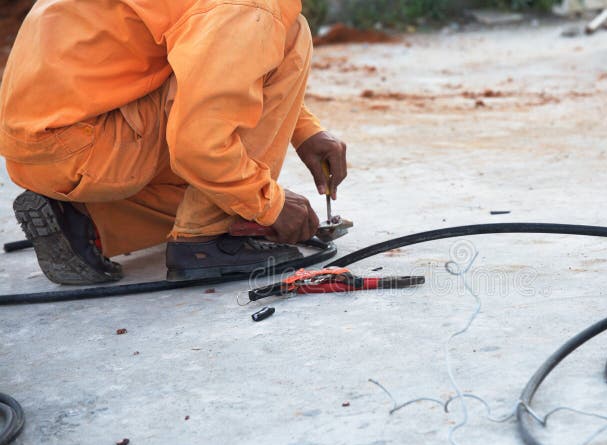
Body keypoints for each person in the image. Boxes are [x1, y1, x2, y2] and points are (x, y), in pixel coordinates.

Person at [0, 0, 347, 284]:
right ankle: (207, 239)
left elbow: (221, 62)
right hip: (86, 145)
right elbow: (199, 146)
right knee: (289, 34)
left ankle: (86, 221)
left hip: (41, 145)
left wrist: (304, 130)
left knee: (217, 191)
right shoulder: (254, 6)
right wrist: (268, 203)